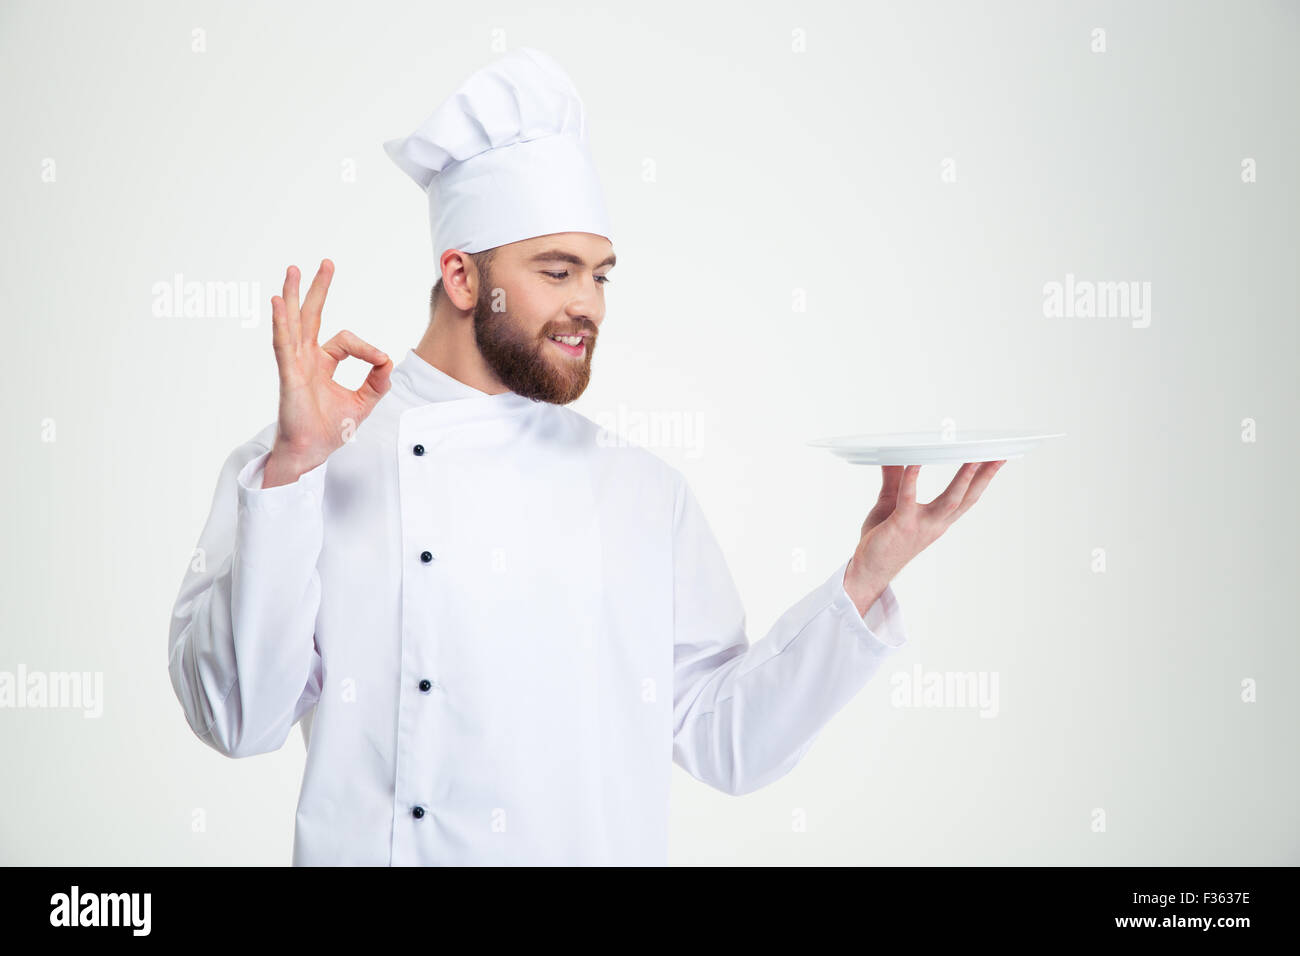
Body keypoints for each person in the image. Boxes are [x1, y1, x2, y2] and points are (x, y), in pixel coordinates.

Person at [167, 47, 1005, 866]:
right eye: (557, 271)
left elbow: (727, 741)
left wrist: (864, 579)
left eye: (601, 276)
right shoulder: (304, 462)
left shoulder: (640, 491)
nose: (586, 306)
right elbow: (237, 722)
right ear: (462, 277)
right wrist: (291, 474)